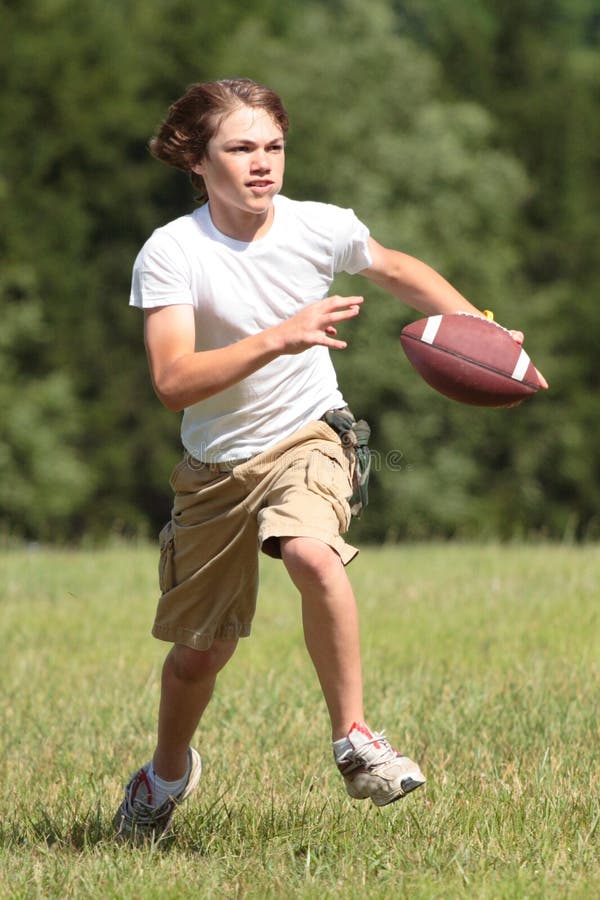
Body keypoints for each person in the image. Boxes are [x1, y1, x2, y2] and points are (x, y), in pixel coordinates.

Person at [113, 78, 541, 843]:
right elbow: (175, 382)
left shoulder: (319, 227)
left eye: (273, 146)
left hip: (310, 432)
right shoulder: (173, 252)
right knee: (196, 660)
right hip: (215, 467)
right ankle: (165, 775)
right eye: (240, 148)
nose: (261, 163)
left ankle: (355, 737)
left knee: (313, 554)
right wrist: (282, 333)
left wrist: (478, 327)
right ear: (197, 159)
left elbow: (396, 268)